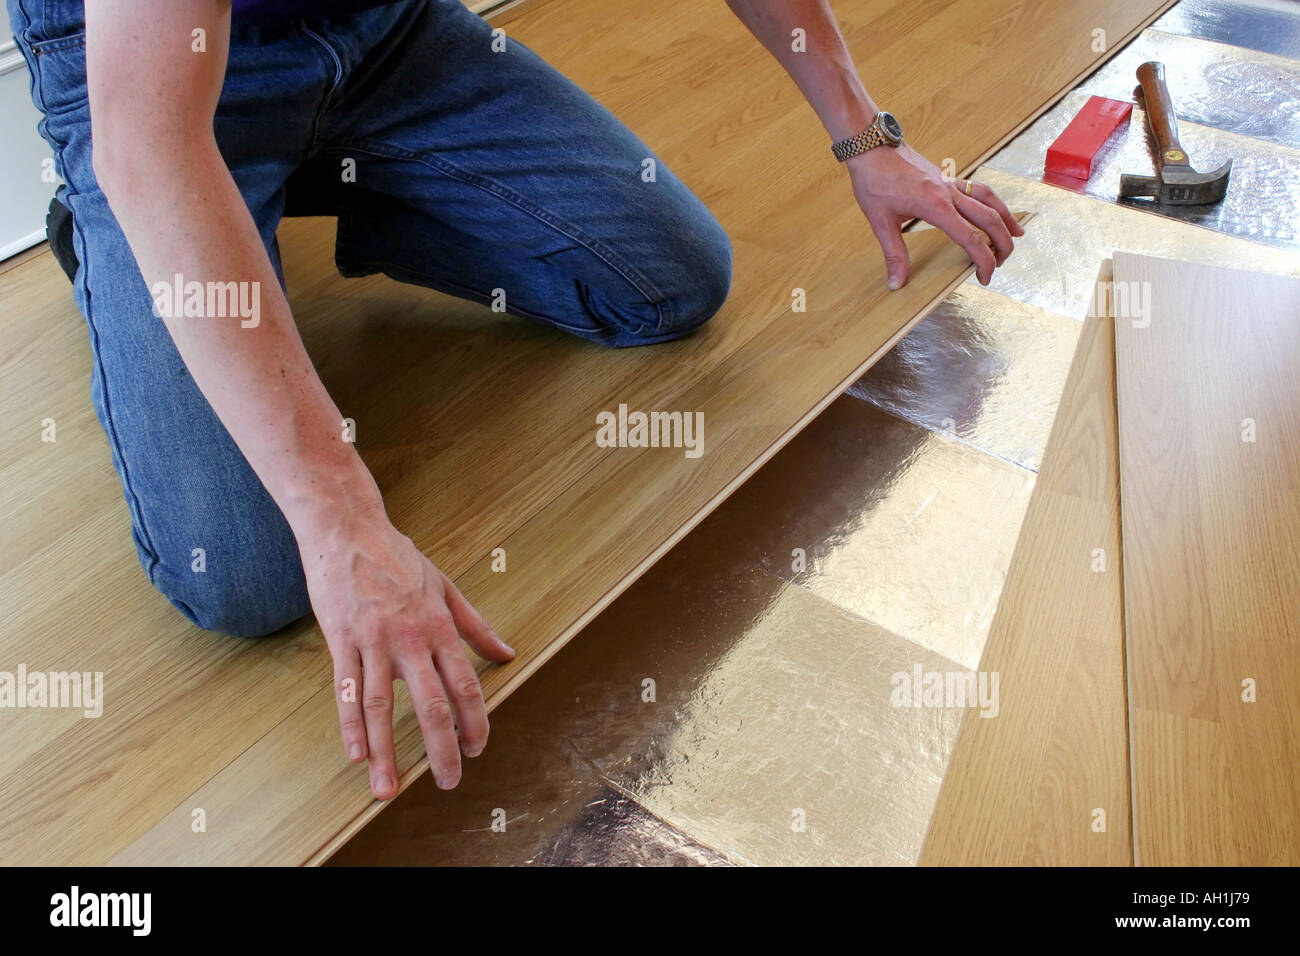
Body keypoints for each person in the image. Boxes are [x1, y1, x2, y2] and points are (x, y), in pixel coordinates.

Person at [9, 0, 1022, 801]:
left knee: (667, 280)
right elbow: (153, 146)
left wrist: (864, 134)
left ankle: (274, 214)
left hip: (381, 30)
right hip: (147, 91)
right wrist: (343, 513)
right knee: (248, 574)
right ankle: (116, 239)